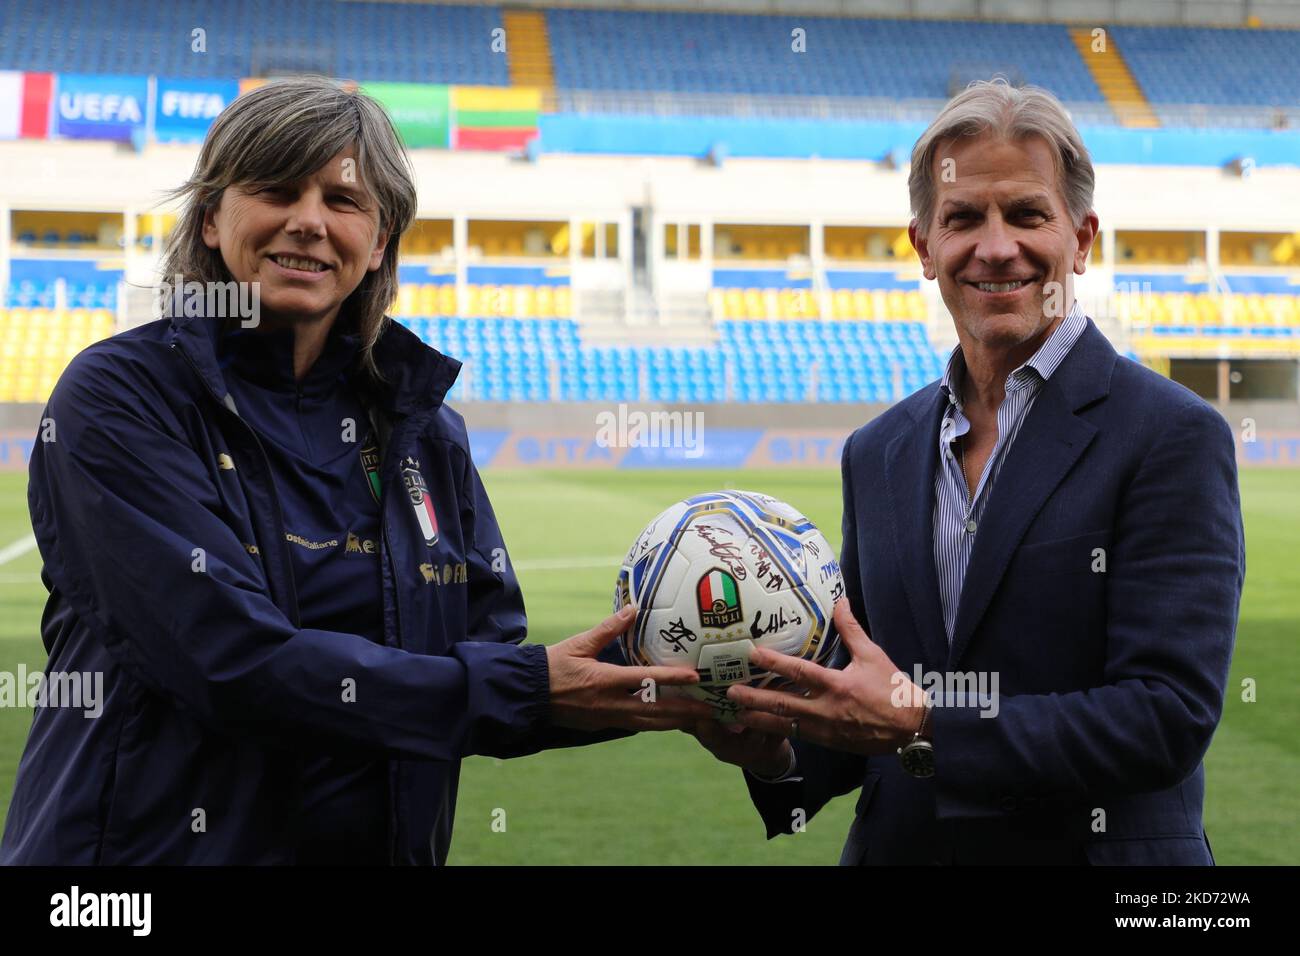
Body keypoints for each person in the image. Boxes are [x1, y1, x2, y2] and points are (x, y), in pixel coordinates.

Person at [1, 76, 708, 866]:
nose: (308, 221)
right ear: (210, 218)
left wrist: (701, 684)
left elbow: (496, 669)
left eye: (342, 200)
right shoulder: (122, 398)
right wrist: (525, 686)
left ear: (378, 244)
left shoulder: (425, 432)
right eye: (276, 189)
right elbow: (229, 663)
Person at [690, 79, 1245, 865]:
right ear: (924, 247)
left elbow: (1165, 717)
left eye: (1027, 214)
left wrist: (923, 723)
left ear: (1082, 239)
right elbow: (861, 696)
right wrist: (773, 752)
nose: (996, 246)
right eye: (962, 219)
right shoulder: (876, 450)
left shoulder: (1171, 435)